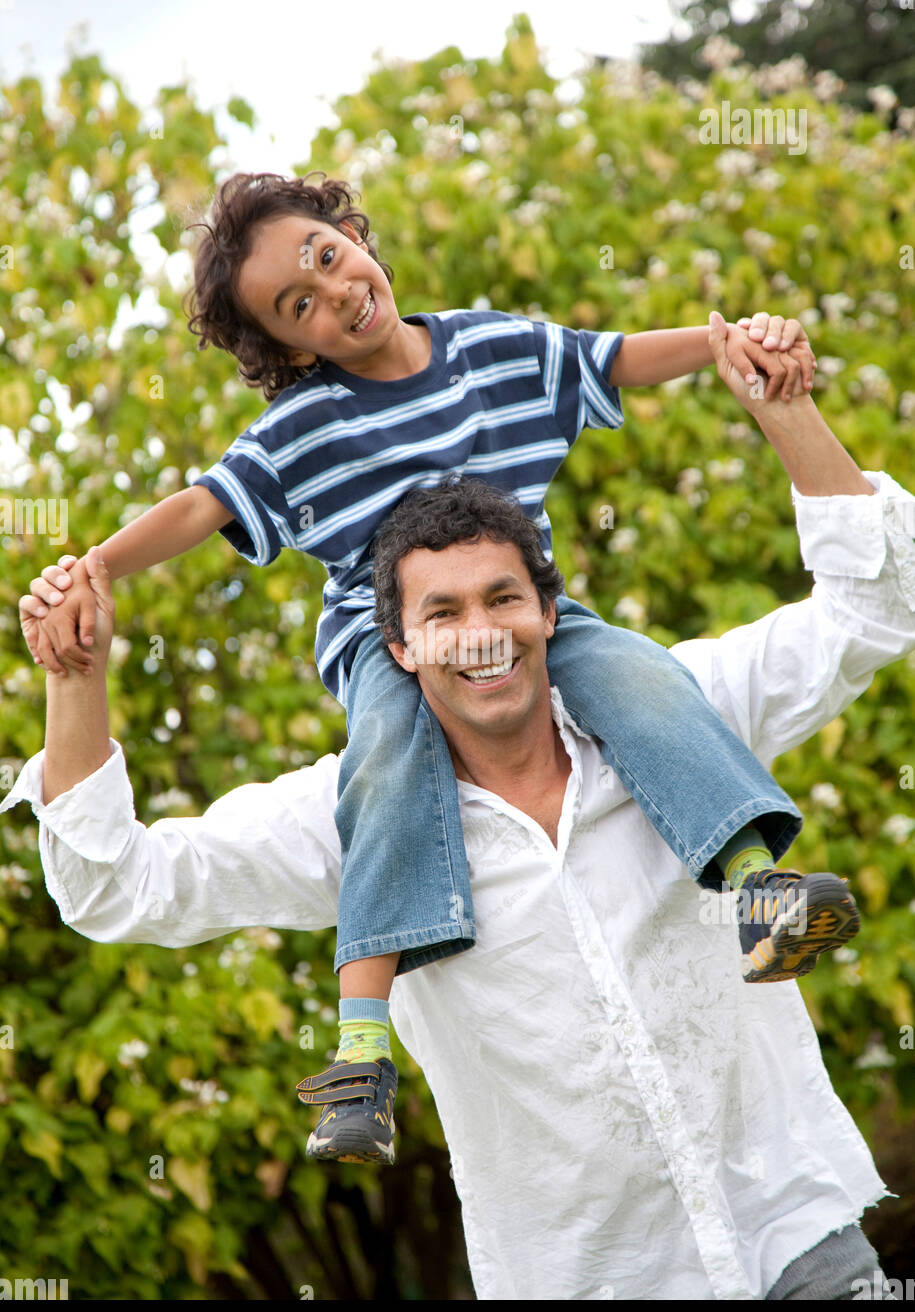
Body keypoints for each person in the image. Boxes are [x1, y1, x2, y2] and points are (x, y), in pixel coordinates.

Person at [6, 313, 912, 1298]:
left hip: (798, 1246)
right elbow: (117, 888)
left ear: (549, 611)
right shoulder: (357, 816)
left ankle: (761, 891)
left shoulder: (679, 712)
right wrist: (77, 680)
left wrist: (785, 411)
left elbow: (873, 609)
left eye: (501, 598)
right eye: (441, 612)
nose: (479, 633)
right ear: (396, 648)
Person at [21, 171, 847, 1167]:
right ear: (289, 346)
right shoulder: (303, 429)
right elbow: (203, 505)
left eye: (328, 260)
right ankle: (361, 1051)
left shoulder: (489, 349)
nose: (334, 295)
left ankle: (760, 892)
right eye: (299, 306)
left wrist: (722, 347)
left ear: (353, 232)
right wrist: (97, 565)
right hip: (385, 643)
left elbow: (612, 359)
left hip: (530, 604)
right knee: (385, 772)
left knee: (647, 684)